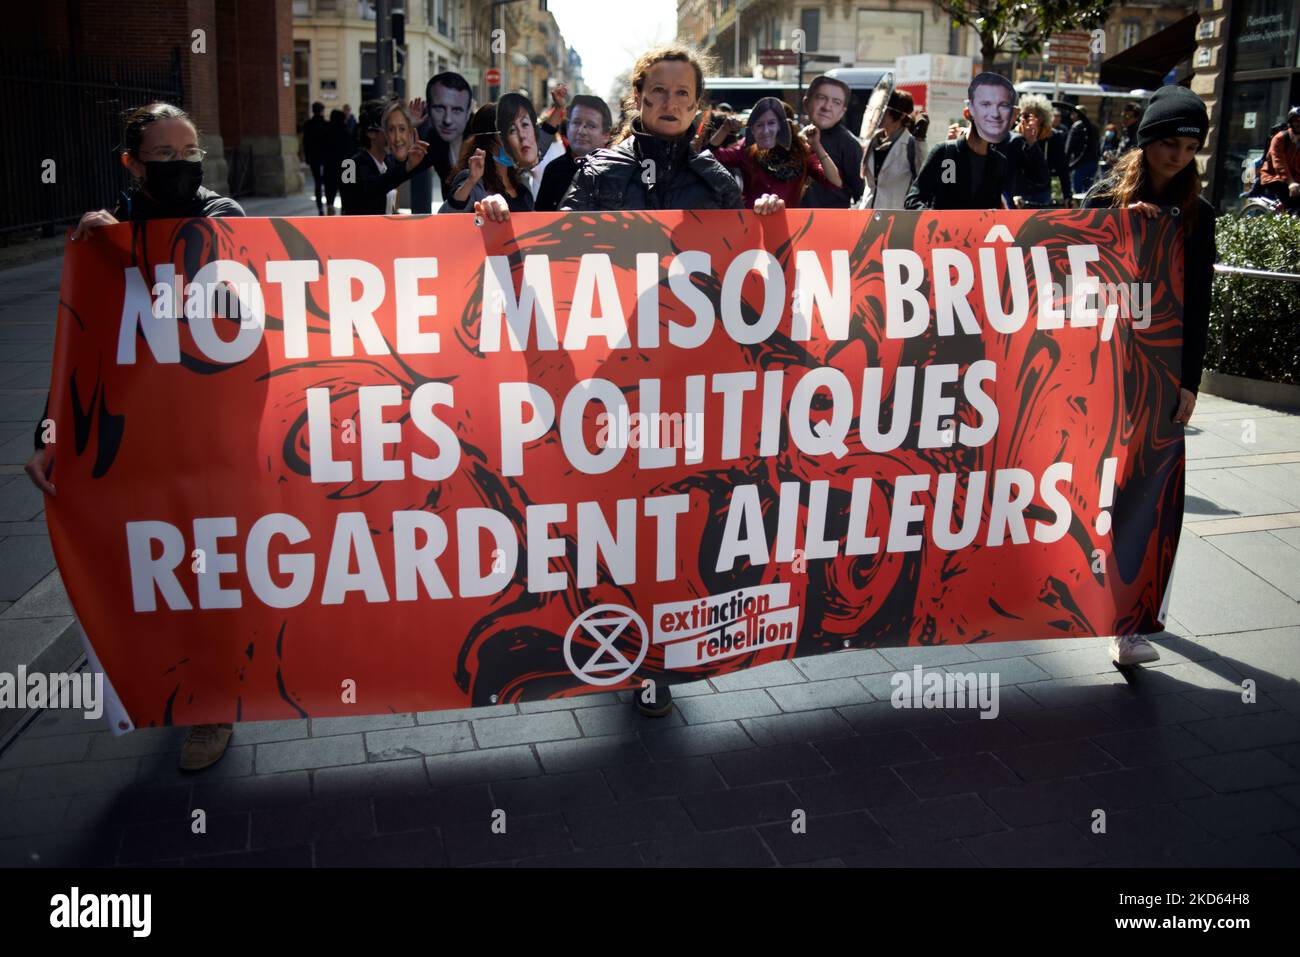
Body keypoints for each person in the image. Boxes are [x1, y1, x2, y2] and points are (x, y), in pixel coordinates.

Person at [560, 46, 787, 717]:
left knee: (671, 519)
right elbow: (557, 259)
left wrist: (772, 231)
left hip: (686, 384)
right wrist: (495, 227)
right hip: (616, 377)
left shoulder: (719, 182)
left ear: (698, 104)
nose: (669, 102)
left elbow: (746, 284)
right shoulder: (598, 174)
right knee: (618, 516)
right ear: (638, 98)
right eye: (656, 90)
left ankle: (656, 654)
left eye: (681, 93)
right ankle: (617, 636)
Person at [26, 102, 245, 772]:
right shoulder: (107, 237)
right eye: (165, 156)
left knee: (211, 568)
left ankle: (211, 707)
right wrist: (51, 430)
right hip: (145, 440)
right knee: (163, 569)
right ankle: (174, 683)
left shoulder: (223, 216)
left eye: (191, 153)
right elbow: (82, 347)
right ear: (133, 163)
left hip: (216, 434)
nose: (182, 167)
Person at [1081, 85, 1216, 666]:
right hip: (1095, 364)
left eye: (1190, 148)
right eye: (1169, 144)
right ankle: (1076, 595)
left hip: (1158, 375)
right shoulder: (1103, 196)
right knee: (1086, 489)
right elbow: (1061, 262)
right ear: (1146, 142)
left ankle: (1128, 624)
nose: (1178, 157)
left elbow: (1200, 301)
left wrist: (1189, 382)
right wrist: (1115, 226)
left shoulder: (1197, 215)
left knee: (1149, 494)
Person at [707, 95, 843, 209]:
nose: (767, 131)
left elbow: (834, 181)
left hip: (788, 226)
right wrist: (724, 129)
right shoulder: (749, 149)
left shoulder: (802, 151)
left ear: (786, 126)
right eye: (760, 124)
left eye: (772, 123)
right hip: (753, 224)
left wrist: (816, 145)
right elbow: (708, 158)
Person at [905, 72, 1014, 210]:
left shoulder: (999, 163)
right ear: (968, 113)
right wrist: (937, 221)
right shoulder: (944, 152)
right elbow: (913, 200)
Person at [439, 94, 539, 216]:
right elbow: (447, 215)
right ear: (489, 141)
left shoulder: (521, 180)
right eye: (511, 131)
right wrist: (470, 181)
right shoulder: (474, 179)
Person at [339, 99, 428, 215]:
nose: (397, 137)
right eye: (390, 129)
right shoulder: (350, 165)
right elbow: (371, 190)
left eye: (401, 129)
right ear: (371, 133)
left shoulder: (388, 161)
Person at [534, 94, 613, 212]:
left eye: (591, 125)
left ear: (606, 135)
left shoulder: (616, 172)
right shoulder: (554, 170)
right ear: (568, 127)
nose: (581, 131)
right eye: (576, 122)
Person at [409, 71, 473, 213]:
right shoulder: (434, 140)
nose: (447, 120)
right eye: (439, 108)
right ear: (428, 110)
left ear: (468, 112)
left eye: (456, 110)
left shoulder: (483, 137)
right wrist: (408, 129)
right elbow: (400, 172)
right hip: (453, 220)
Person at [801, 75, 864, 208]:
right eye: (821, 98)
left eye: (836, 102)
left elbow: (861, 195)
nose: (827, 107)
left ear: (842, 112)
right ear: (806, 103)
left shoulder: (849, 144)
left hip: (832, 223)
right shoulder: (796, 138)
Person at [861, 89, 924, 210]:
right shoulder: (873, 142)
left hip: (895, 219)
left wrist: (921, 140)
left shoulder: (911, 145)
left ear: (900, 115)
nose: (878, 114)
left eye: (884, 110)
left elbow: (923, 177)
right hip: (867, 217)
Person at [1014, 94, 1055, 205]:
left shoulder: (1052, 136)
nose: (1023, 119)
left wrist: (1067, 195)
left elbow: (1060, 168)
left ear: (1041, 118)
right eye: (1021, 115)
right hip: (1020, 193)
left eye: (1027, 116)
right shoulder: (1015, 136)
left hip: (1042, 191)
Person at [1259, 106, 1300, 212]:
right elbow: (1278, 163)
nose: (1299, 124)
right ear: (1291, 122)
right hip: (1273, 176)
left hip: (1293, 178)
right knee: (1292, 201)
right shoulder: (1280, 138)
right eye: (1296, 121)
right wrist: (1291, 182)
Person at [322, 108, 352, 215]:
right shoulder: (347, 132)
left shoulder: (326, 132)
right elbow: (351, 151)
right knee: (346, 191)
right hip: (346, 166)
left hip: (330, 165)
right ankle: (345, 210)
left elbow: (322, 149)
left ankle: (330, 205)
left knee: (330, 187)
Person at [1066, 105, 1100, 195]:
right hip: (1093, 162)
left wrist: (1066, 164)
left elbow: (1069, 146)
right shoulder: (1093, 126)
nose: (1071, 116)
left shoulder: (1076, 126)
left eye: (1073, 114)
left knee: (1077, 192)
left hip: (1079, 163)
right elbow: (1098, 144)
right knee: (1088, 191)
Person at [302, 101, 328, 215]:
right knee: (326, 182)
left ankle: (320, 207)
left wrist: (307, 157)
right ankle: (329, 204)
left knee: (317, 183)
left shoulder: (308, 124)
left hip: (314, 158)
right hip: (325, 157)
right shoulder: (326, 124)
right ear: (322, 111)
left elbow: (305, 143)